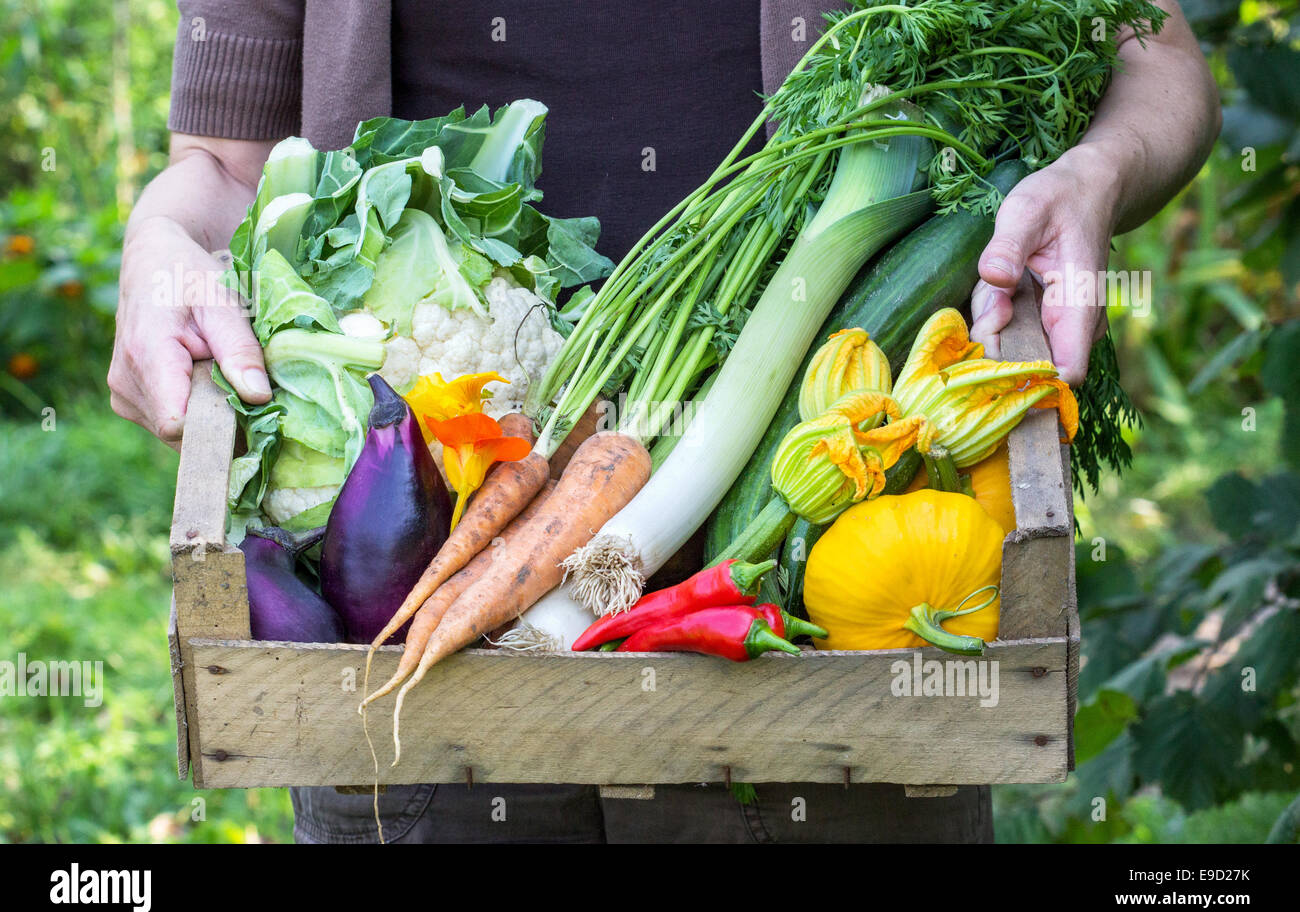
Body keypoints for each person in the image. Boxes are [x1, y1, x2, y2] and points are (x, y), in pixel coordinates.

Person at [111, 1, 1220, 842]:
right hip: (402, 658)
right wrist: (159, 242)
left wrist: (1096, 169)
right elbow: (222, 169)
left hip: (817, 629)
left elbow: (1146, 46)